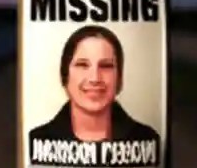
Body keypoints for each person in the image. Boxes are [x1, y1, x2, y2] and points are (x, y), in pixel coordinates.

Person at [29, 25, 159, 144]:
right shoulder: (38, 141)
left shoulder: (145, 139)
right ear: (65, 75)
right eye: (82, 65)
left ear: (119, 77)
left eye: (106, 66)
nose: (95, 78)